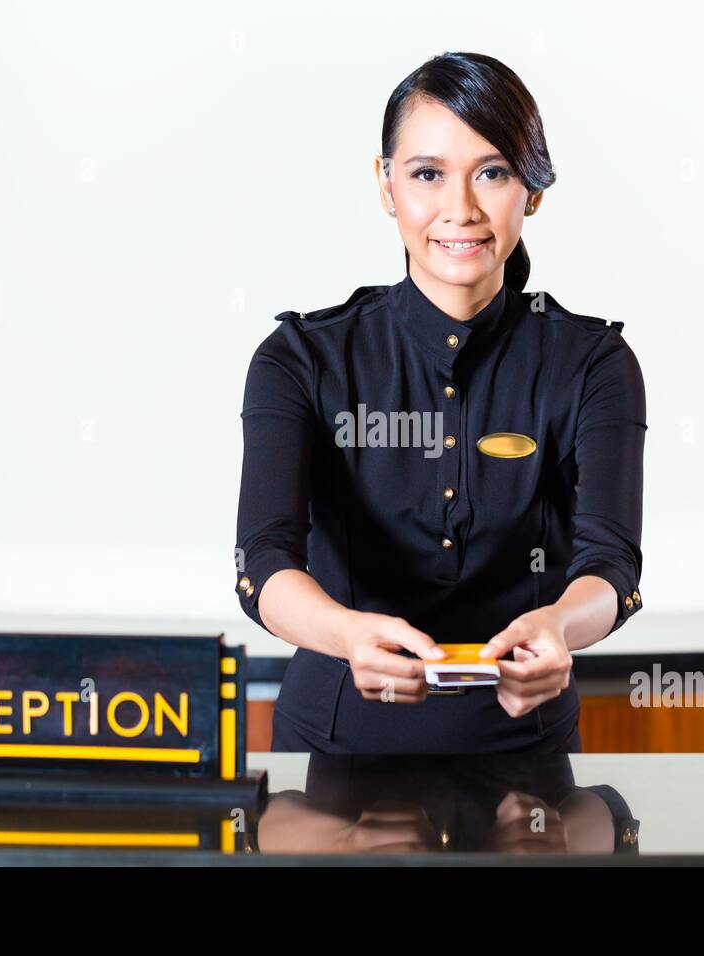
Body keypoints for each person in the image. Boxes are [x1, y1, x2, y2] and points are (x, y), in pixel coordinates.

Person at [233, 51, 646, 754]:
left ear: (533, 191)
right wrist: (346, 634)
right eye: (428, 174)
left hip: (526, 751)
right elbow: (263, 562)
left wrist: (560, 627)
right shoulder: (300, 359)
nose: (461, 209)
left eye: (494, 172)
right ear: (387, 185)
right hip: (333, 748)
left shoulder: (594, 364)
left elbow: (612, 567)